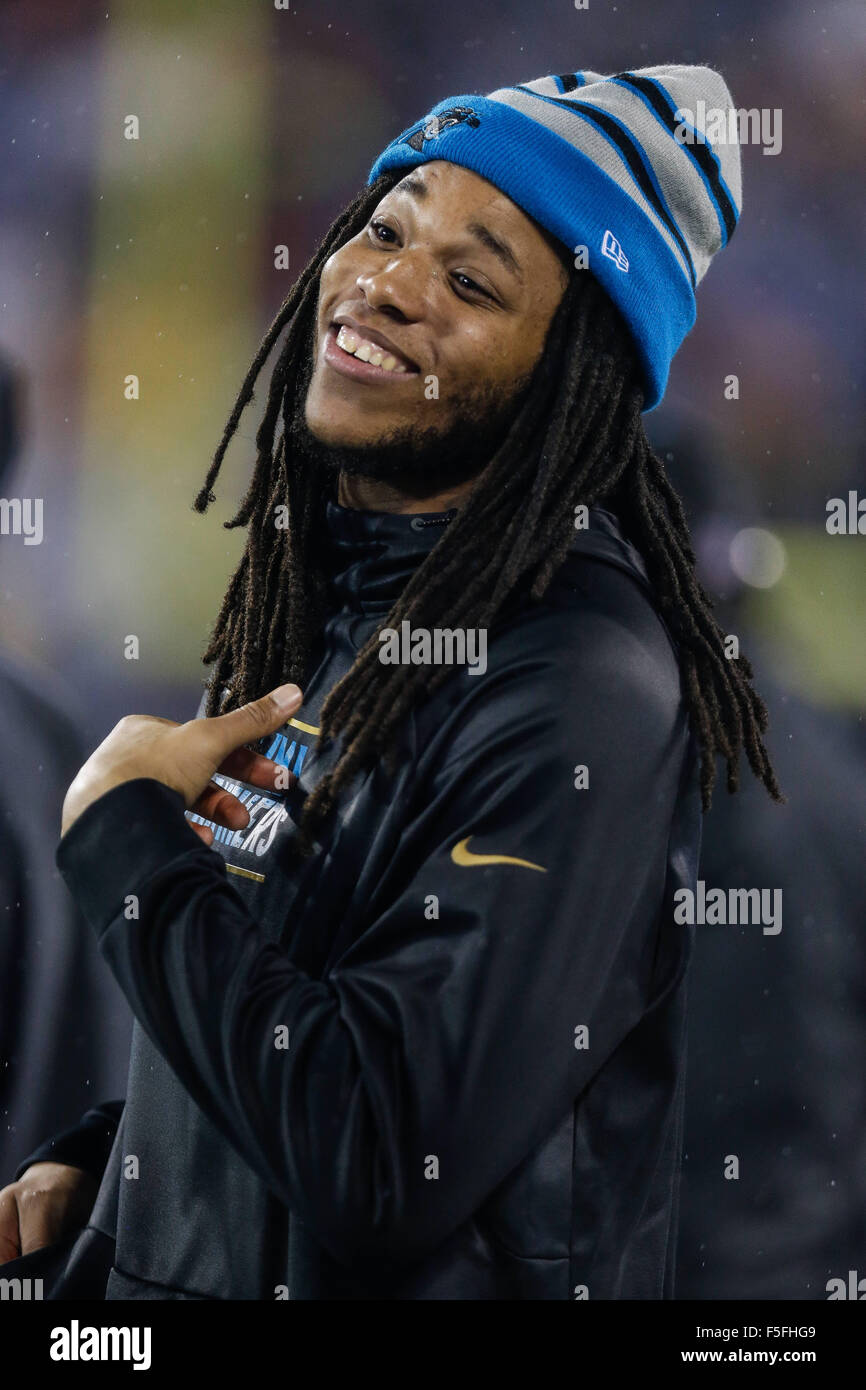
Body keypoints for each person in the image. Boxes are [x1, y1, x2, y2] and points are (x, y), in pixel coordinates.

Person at [0, 63, 781, 1300]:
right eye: (384, 226)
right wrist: (129, 1168)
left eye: (471, 281)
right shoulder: (323, 604)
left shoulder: (577, 686)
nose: (386, 286)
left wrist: (124, 842)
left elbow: (382, 1156)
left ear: (566, 373)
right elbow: (291, 1016)